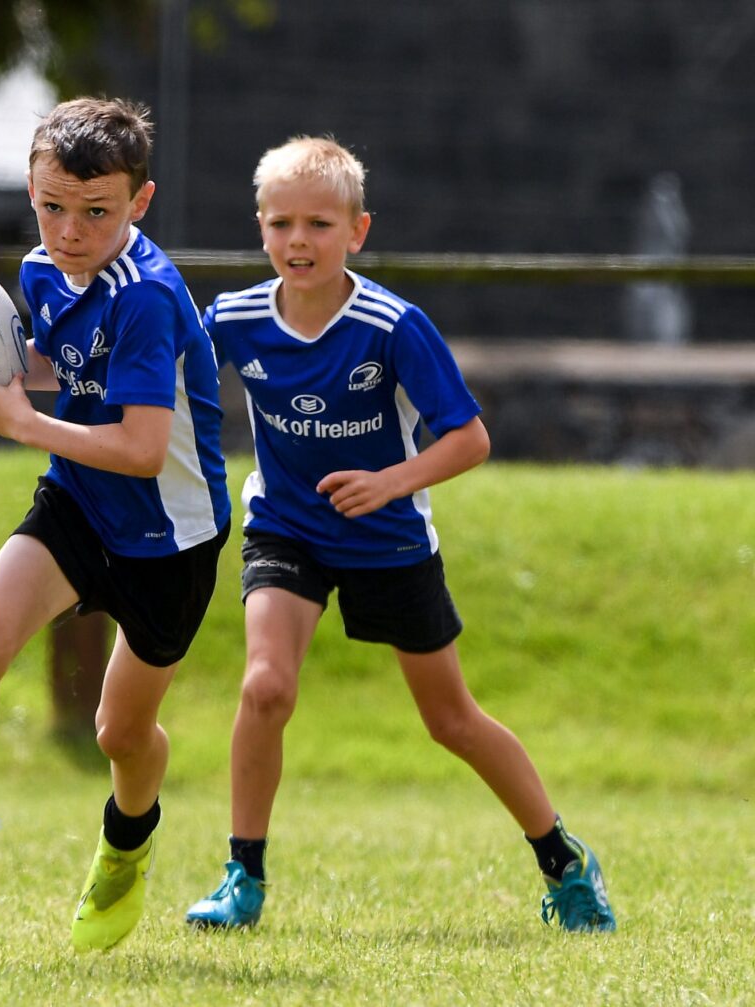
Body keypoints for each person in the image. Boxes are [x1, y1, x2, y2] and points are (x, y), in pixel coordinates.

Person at [183, 136, 615, 933]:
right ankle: (243, 874)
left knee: (450, 720)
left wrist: (388, 482)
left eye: (320, 224)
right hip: (285, 527)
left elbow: (470, 439)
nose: (299, 240)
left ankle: (564, 859)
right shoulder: (234, 319)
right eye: (281, 223)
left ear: (358, 230)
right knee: (265, 687)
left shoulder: (393, 325)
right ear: (260, 226)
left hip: (387, 537)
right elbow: (161, 379)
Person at [0, 96, 231, 952]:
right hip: (79, 502)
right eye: (53, 206)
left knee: (120, 733)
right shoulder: (41, 271)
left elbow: (142, 448)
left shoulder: (148, 298)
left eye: (96, 212)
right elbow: (56, 365)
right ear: (31, 189)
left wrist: (19, 421)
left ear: (139, 202)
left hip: (170, 538)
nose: (69, 231)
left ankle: (125, 850)